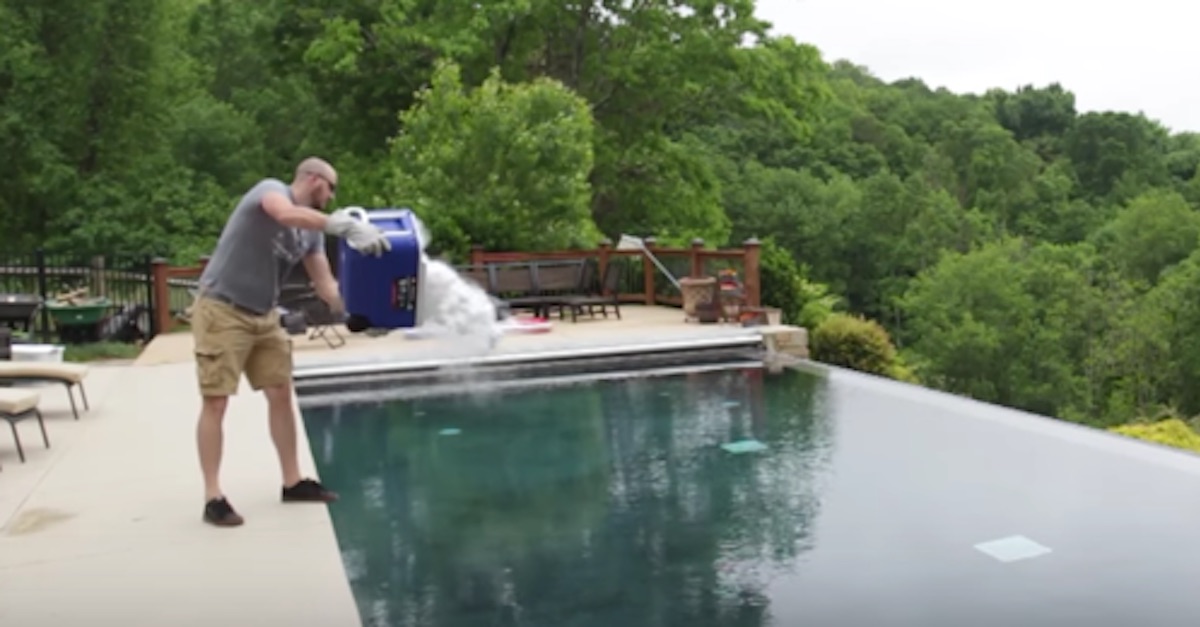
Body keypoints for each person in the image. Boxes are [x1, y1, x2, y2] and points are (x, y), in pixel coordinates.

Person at [191, 156, 391, 527]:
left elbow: (325, 283)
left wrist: (360, 312)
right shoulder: (271, 190)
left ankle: (293, 482)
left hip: (265, 314)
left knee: (281, 393)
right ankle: (213, 497)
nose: (331, 197)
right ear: (315, 180)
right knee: (216, 401)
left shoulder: (311, 233)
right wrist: (340, 225)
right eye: (331, 188)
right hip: (222, 309)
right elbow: (284, 214)